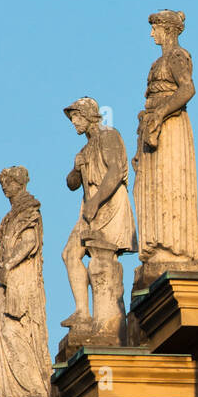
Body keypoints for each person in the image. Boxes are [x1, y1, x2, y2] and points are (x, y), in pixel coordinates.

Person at [133, 10, 198, 282]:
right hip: (153, 127)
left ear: (167, 30)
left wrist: (161, 113)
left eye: (155, 28)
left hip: (171, 127)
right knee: (151, 186)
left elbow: (187, 89)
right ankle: (158, 244)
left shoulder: (176, 56)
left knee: (169, 181)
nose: (152, 34)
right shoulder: (158, 60)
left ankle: (174, 246)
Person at [61, 97, 137, 327]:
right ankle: (82, 312)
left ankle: (108, 319)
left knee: (103, 256)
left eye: (76, 117)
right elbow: (71, 183)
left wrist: (96, 202)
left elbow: (115, 171)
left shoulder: (108, 136)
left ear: (87, 115)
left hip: (109, 203)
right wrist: (76, 168)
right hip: (89, 208)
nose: (73, 122)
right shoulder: (85, 148)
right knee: (70, 254)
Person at [0, 166, 52, 397]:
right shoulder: (9, 215)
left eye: (10, 182)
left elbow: (29, 243)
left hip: (21, 279)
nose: (5, 186)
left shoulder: (28, 209)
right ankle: (22, 390)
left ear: (21, 183)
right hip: (8, 279)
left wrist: (8, 263)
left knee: (16, 328)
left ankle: (34, 389)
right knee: (9, 330)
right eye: (3, 183)